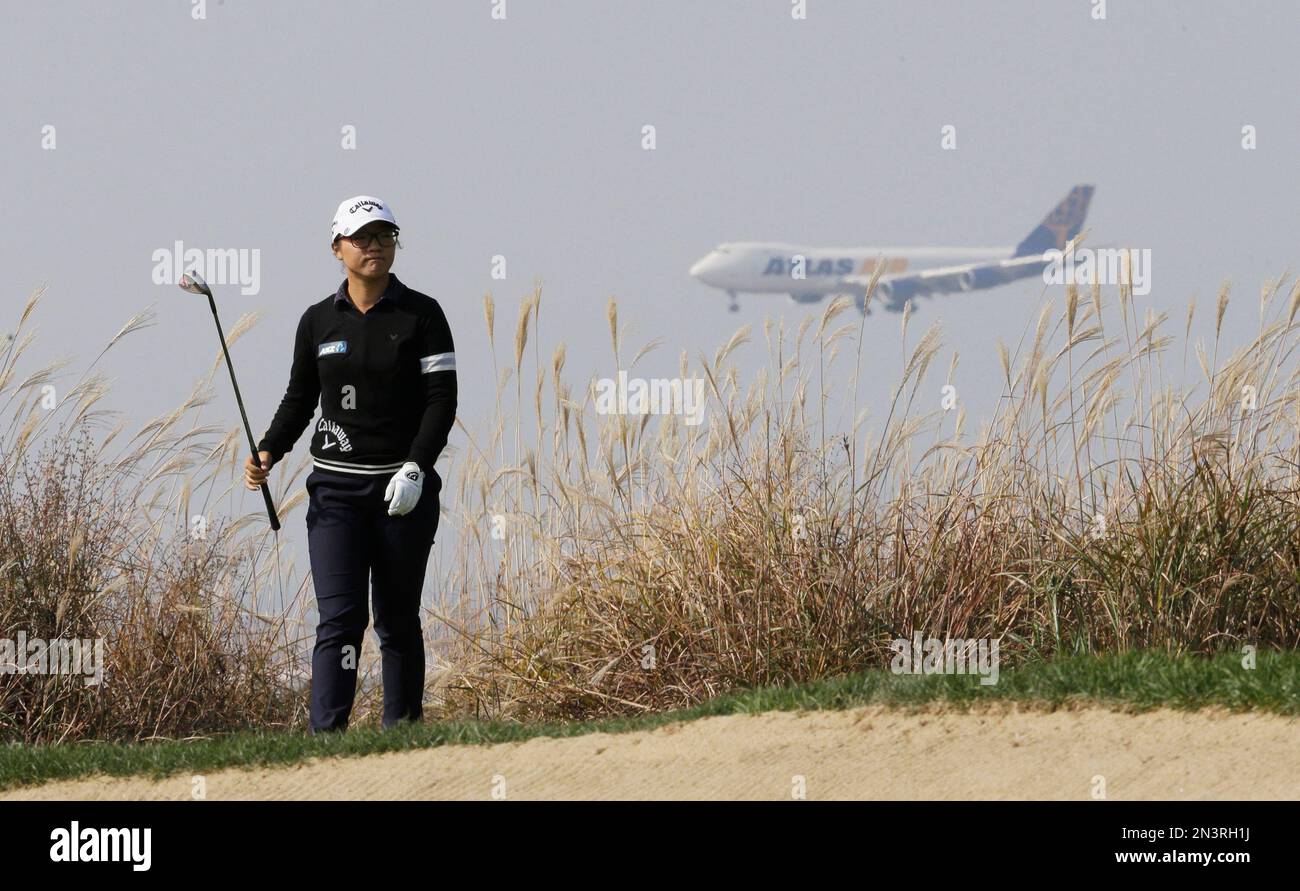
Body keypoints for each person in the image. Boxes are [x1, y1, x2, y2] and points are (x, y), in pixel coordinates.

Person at [244, 195, 457, 732]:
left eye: (384, 235)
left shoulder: (422, 314)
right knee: (340, 619)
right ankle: (326, 741)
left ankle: (401, 733)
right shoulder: (317, 321)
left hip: (402, 491)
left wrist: (415, 468)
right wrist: (270, 449)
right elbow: (300, 398)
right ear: (337, 248)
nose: (375, 246)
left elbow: (441, 400)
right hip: (335, 493)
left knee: (396, 619)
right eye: (362, 238)